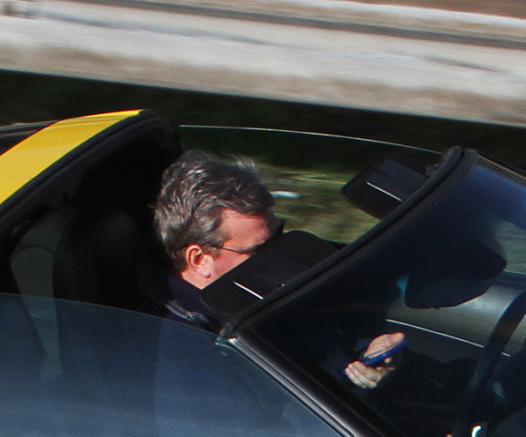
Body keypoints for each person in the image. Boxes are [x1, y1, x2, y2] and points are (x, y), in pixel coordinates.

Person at [151, 151, 402, 388]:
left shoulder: (245, 290)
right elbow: (273, 425)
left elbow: (320, 332)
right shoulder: (192, 352)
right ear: (199, 258)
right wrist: (348, 383)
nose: (276, 255)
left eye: (278, 236)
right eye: (258, 249)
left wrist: (366, 352)